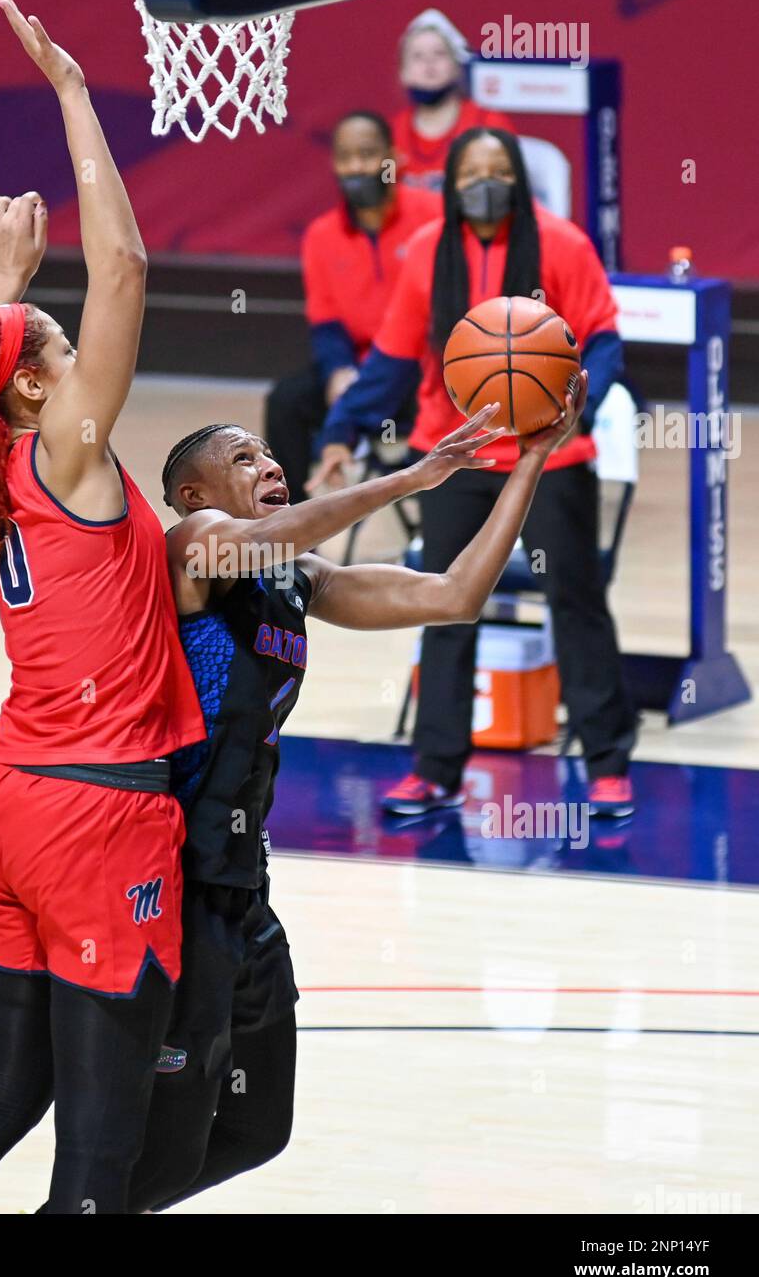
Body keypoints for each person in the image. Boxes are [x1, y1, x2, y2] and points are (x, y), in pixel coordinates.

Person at [0, 0, 205, 1215]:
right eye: (59, 351)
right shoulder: (66, 450)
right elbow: (124, 264)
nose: (84, 353)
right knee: (100, 1153)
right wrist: (75, 90)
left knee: (0, 1093)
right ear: (36, 396)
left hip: (4, 807)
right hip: (94, 818)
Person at [126, 381, 586, 1212]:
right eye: (242, 458)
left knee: (258, 1129)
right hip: (171, 884)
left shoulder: (299, 578)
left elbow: (452, 596)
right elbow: (260, 535)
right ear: (193, 494)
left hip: (240, 883)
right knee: (165, 1142)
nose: (268, 465)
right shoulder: (192, 544)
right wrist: (414, 477)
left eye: (267, 453)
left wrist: (531, 460)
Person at [312, 126, 637, 820]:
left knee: (574, 602)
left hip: (550, 455)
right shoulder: (428, 251)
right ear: (450, 185)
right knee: (441, 604)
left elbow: (604, 340)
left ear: (517, 178)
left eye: (496, 171)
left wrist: (582, 406)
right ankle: (435, 769)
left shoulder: (562, 243)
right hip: (454, 452)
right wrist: (340, 431)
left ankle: (607, 764)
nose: (483, 184)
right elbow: (393, 361)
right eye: (469, 174)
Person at [264, 111, 440, 501]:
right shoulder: (321, 236)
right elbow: (326, 326)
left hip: (419, 367)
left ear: (393, 158)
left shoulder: (434, 216)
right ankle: (290, 527)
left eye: (367, 153)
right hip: (358, 368)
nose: (356, 166)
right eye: (345, 156)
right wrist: (338, 372)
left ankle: (439, 516)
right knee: (285, 401)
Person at [391, 8, 514, 193]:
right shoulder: (391, 135)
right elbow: (385, 192)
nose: (429, 63)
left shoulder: (489, 124)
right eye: (417, 56)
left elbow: (509, 188)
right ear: (403, 72)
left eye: (439, 53)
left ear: (457, 66)